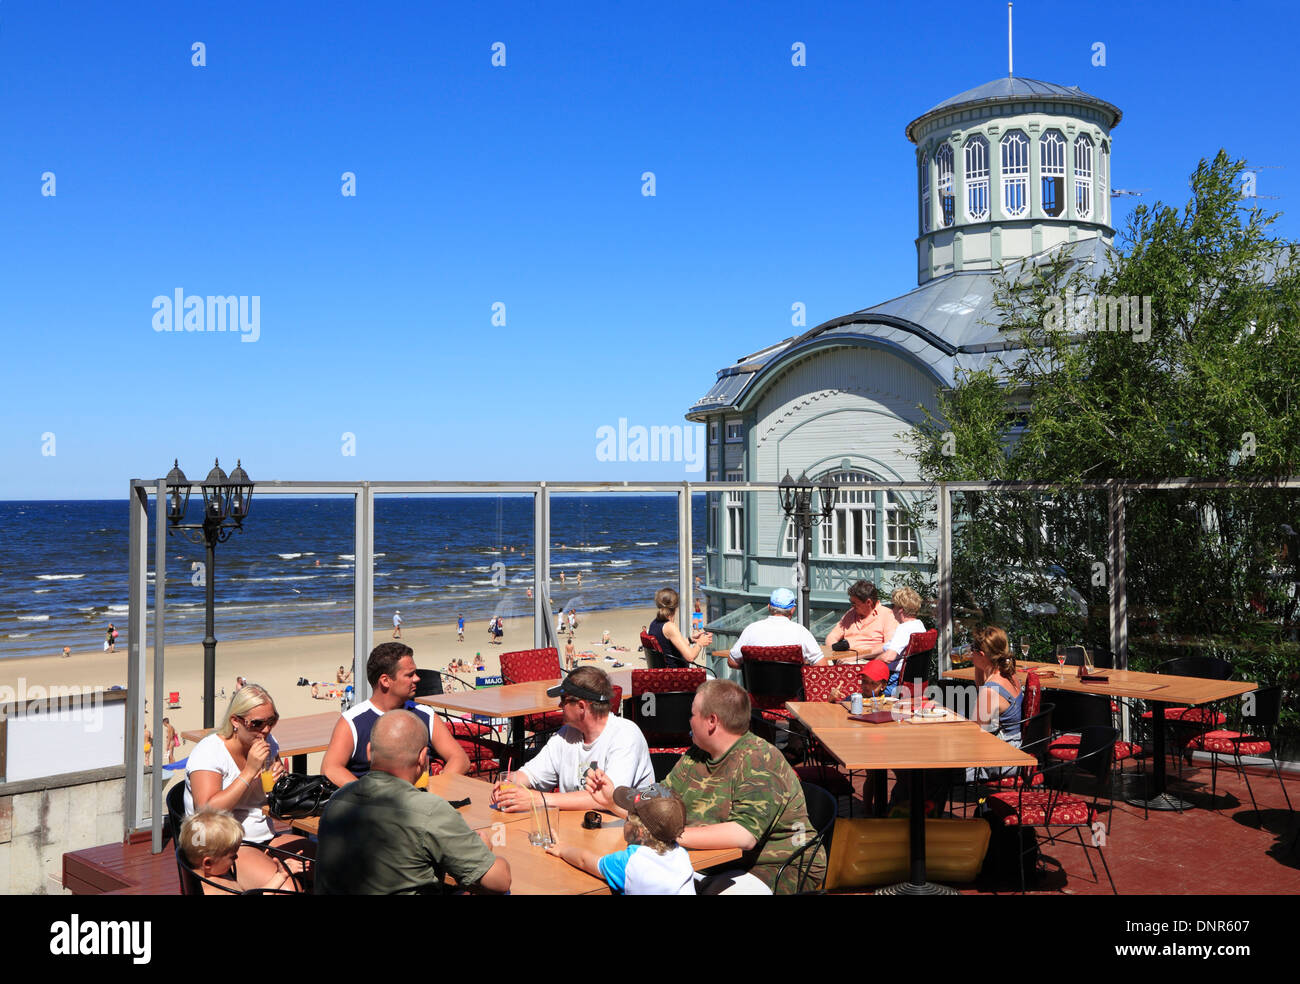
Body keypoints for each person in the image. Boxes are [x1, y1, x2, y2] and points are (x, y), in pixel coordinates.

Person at [586, 679, 820, 895]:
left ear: (711, 721)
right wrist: (614, 797)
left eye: (693, 715)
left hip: (776, 866)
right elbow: (660, 798)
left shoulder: (759, 759)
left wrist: (668, 832)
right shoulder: (697, 755)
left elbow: (743, 835)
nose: (689, 720)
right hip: (717, 863)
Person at [315, 710, 511, 895]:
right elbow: (499, 881)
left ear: (368, 752)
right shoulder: (429, 810)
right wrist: (483, 849)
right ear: (422, 758)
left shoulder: (337, 800)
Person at [490, 666, 653, 813]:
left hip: (624, 832)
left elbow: (608, 799)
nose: (559, 706)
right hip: (578, 830)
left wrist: (538, 799)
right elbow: (531, 774)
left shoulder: (625, 735)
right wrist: (511, 783)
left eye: (564, 700)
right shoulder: (566, 734)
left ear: (581, 707)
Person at [184, 684, 307, 863]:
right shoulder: (209, 752)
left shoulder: (268, 742)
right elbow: (206, 812)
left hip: (265, 837)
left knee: (329, 863)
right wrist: (249, 771)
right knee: (286, 887)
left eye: (271, 721)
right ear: (235, 721)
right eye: (257, 723)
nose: (265, 730)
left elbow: (271, 797)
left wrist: (281, 781)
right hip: (221, 846)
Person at [322, 642, 470, 788]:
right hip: (373, 808)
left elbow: (459, 758)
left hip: (420, 804)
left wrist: (437, 790)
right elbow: (330, 769)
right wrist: (368, 797)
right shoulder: (352, 722)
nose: (417, 679)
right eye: (409, 675)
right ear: (385, 681)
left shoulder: (425, 715)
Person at [546, 784, 694, 895]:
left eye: (627, 817)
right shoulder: (681, 854)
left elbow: (584, 860)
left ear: (640, 832)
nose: (625, 821)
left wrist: (562, 849)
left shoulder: (628, 862)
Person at [180, 808, 295, 894]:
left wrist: (281, 875)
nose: (236, 858)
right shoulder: (215, 891)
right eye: (232, 856)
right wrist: (280, 876)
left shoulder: (215, 873)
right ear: (208, 863)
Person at [726, 587, 822, 668]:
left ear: (769, 607)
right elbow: (821, 665)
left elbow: (732, 661)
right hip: (792, 689)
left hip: (757, 689)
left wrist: (752, 669)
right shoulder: (801, 632)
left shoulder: (751, 629)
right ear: (793, 610)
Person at [863, 587, 928, 695]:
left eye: (892, 606)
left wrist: (870, 665)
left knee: (852, 696)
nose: (891, 610)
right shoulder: (919, 626)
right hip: (913, 681)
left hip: (894, 681)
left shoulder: (904, 628)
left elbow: (889, 657)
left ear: (900, 609)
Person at [825, 580, 899, 659]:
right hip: (843, 657)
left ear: (868, 602)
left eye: (854, 603)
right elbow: (832, 636)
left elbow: (888, 645)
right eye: (851, 602)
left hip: (868, 660)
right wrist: (834, 651)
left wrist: (857, 656)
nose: (852, 606)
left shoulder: (888, 615)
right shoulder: (851, 613)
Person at [646, 587, 713, 666]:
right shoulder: (669, 627)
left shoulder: (654, 623)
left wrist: (690, 640)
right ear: (676, 606)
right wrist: (700, 643)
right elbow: (690, 657)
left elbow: (667, 647)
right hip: (676, 674)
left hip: (664, 673)